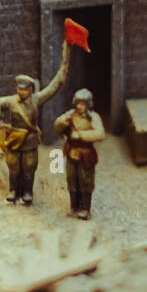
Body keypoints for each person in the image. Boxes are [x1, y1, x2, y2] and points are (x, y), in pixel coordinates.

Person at [0, 39, 70, 205]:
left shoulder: (36, 100)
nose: (21, 92)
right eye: (19, 89)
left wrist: (63, 65)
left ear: (30, 89)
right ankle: (13, 191)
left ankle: (27, 192)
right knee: (13, 166)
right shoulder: (11, 101)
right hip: (14, 138)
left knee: (29, 167)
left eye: (25, 89)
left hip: (29, 140)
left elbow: (53, 87)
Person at [54, 88, 104, 219]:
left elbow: (100, 133)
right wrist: (62, 123)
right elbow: (57, 125)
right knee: (72, 180)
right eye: (78, 103)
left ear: (88, 105)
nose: (79, 107)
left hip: (85, 154)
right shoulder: (71, 114)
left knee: (85, 181)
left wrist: (81, 135)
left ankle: (85, 209)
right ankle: (74, 207)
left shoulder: (93, 117)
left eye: (83, 104)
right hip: (71, 152)